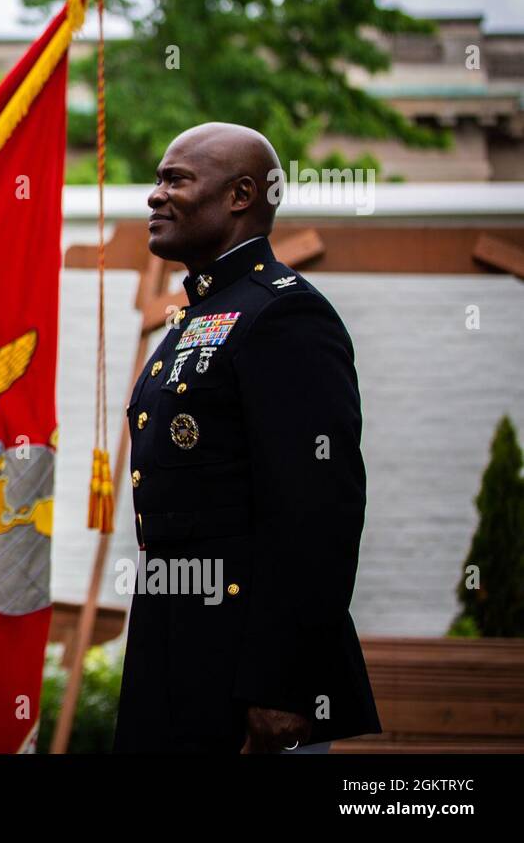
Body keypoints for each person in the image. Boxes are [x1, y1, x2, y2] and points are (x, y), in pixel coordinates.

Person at [112, 122, 382, 754]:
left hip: (246, 673)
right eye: (157, 179)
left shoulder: (283, 313)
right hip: (177, 646)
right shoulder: (200, 315)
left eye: (176, 179)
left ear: (239, 195)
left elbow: (318, 512)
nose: (155, 195)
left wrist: (284, 683)